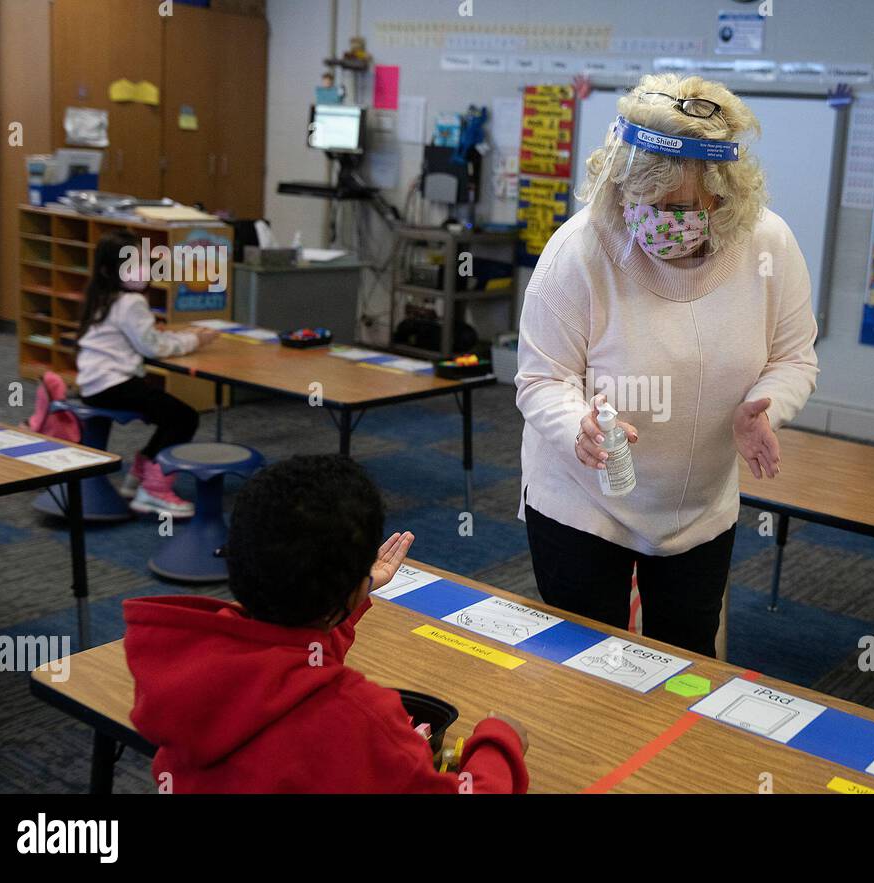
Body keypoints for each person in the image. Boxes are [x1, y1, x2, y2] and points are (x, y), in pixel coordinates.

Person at [514, 74, 819, 657]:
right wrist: (574, 423)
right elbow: (542, 378)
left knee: (685, 666)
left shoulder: (768, 247)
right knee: (585, 668)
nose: (656, 218)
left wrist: (767, 410)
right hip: (583, 504)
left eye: (679, 207)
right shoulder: (580, 249)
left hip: (700, 507)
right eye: (641, 203)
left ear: (724, 196)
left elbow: (793, 357)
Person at [123, 455, 529, 793]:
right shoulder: (359, 719)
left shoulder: (188, 661)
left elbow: (288, 661)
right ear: (354, 586)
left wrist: (350, 593)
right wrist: (499, 743)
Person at [76, 230, 218, 518]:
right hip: (114, 384)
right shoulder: (132, 302)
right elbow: (154, 348)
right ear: (109, 270)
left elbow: (136, 337)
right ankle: (153, 491)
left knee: (169, 414)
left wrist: (156, 333)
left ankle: (140, 476)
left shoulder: (102, 296)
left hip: (92, 384)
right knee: (184, 417)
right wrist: (195, 340)